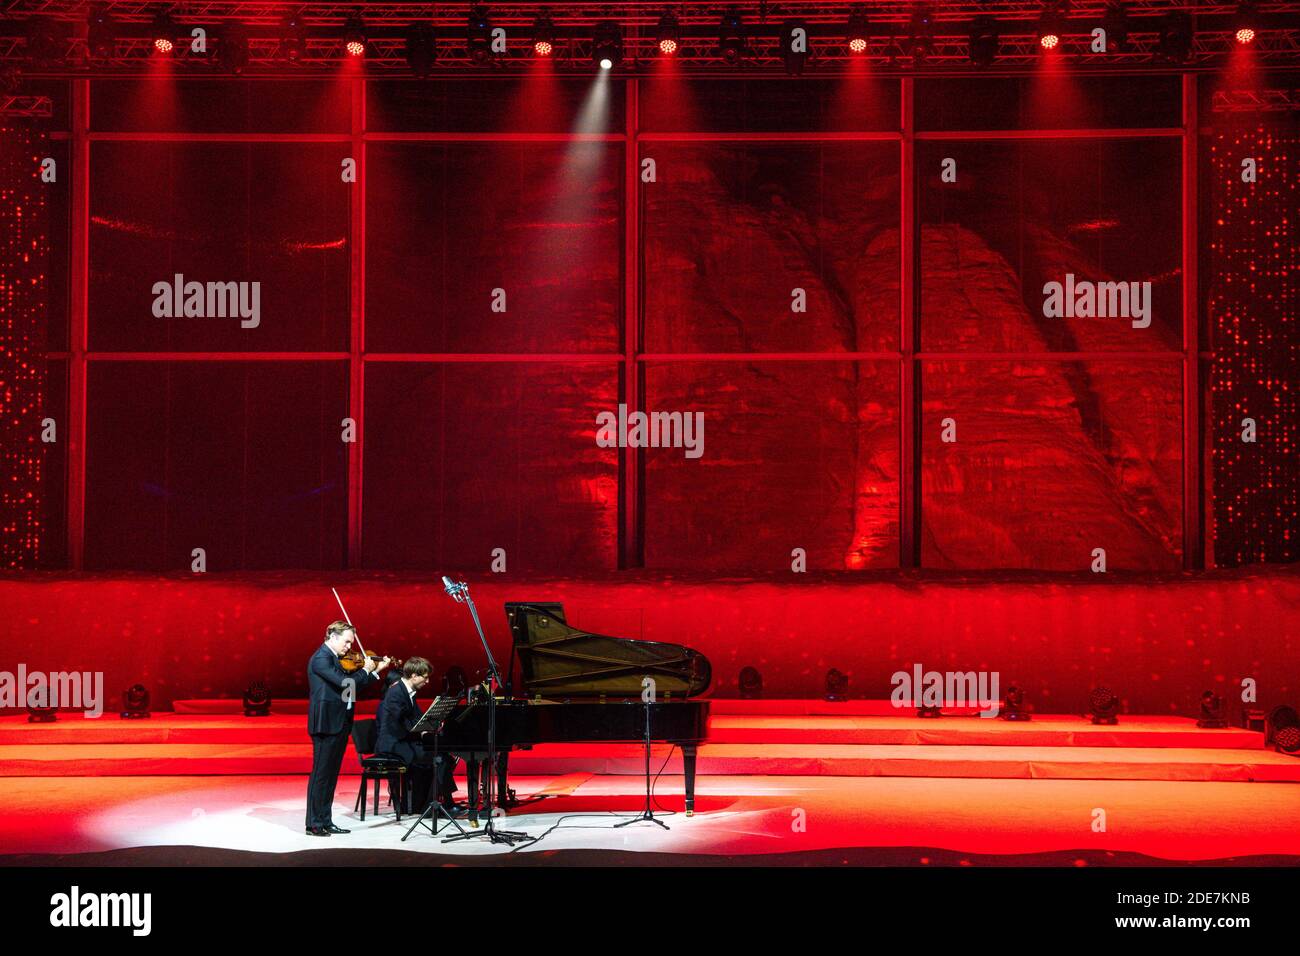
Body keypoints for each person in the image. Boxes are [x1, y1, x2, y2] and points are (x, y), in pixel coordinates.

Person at [305, 620, 390, 836]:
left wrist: (374, 672)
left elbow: (350, 689)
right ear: (332, 637)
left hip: (339, 721)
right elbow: (346, 683)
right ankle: (314, 823)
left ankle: (325, 819)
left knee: (331, 775)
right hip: (326, 723)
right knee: (321, 775)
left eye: (351, 643)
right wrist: (367, 670)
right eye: (346, 642)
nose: (349, 647)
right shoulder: (321, 659)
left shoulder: (335, 659)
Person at [374, 656, 453, 816]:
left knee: (444, 756)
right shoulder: (396, 692)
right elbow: (402, 723)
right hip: (394, 745)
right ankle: (432, 806)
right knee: (440, 758)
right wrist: (423, 731)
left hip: (405, 740)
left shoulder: (409, 692)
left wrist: (429, 726)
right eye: (425, 677)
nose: (428, 681)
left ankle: (430, 803)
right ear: (414, 676)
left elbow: (416, 717)